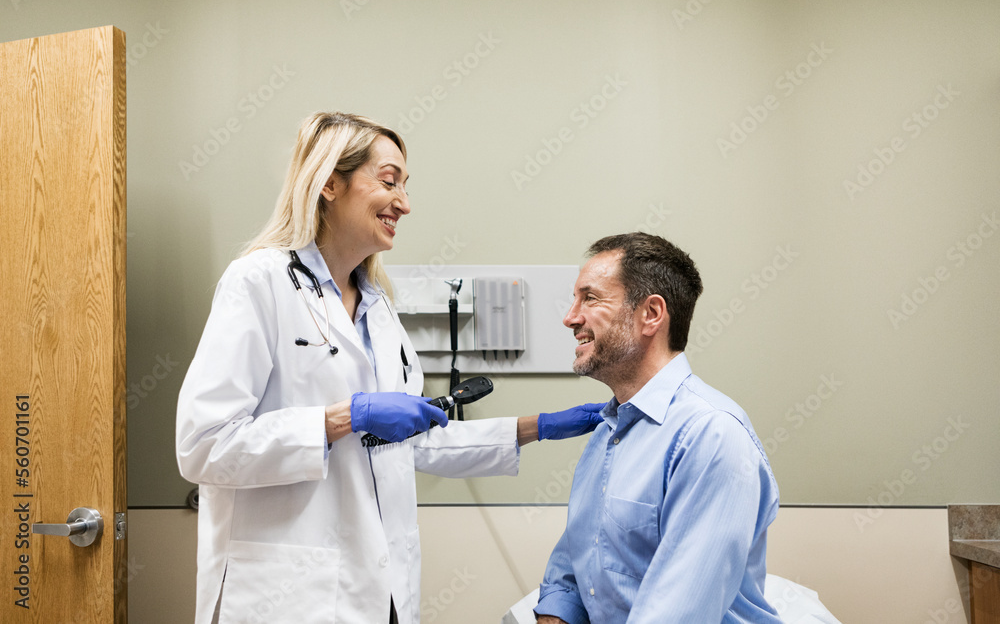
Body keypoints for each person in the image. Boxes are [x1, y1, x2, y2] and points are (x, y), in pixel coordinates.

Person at [175, 111, 602, 624]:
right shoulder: (258, 282)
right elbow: (203, 446)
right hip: (285, 594)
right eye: (389, 180)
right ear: (330, 183)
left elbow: (412, 442)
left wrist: (540, 428)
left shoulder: (379, 307)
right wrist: (343, 418)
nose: (404, 202)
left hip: (382, 594)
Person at [534, 233, 782, 624]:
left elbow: (676, 614)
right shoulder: (608, 430)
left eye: (591, 298)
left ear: (651, 314)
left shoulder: (711, 436)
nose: (571, 317)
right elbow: (571, 574)